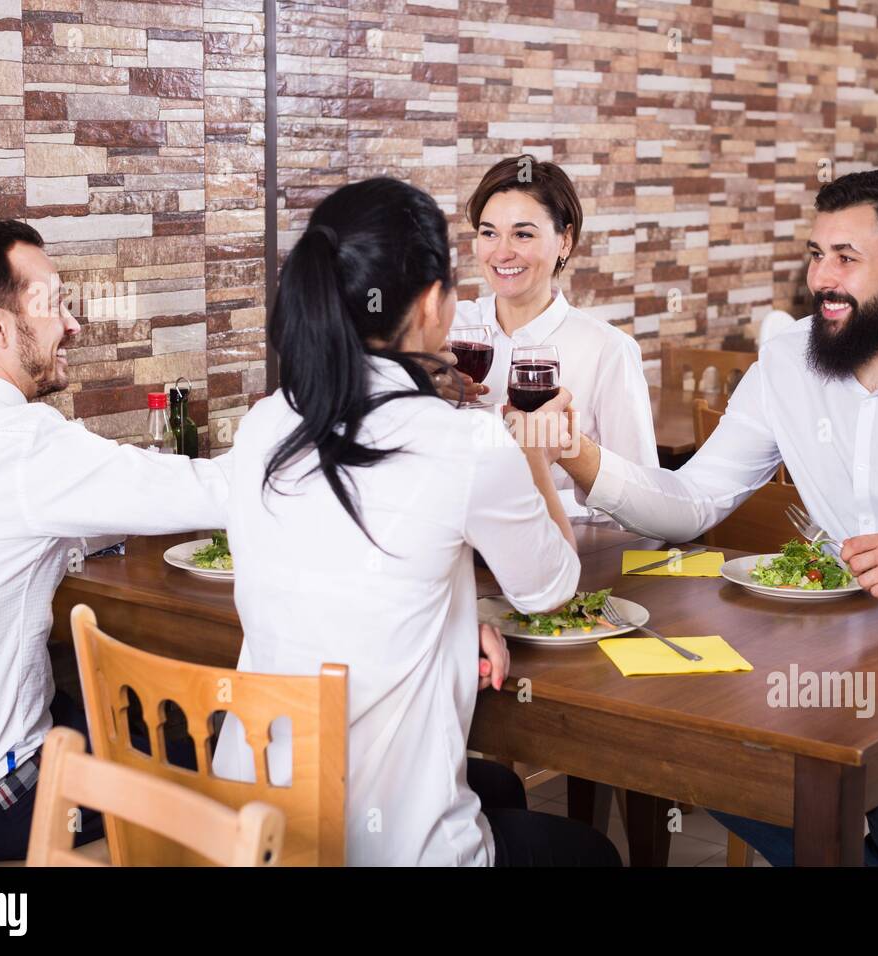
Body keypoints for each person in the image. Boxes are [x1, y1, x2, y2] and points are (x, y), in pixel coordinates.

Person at [514, 168, 878, 866]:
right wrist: (582, 456)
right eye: (814, 254)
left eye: (845, 259)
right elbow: (694, 502)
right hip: (844, 637)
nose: (820, 279)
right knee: (702, 744)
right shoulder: (785, 361)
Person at [209, 177, 620, 867]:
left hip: (255, 828)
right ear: (434, 303)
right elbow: (551, 589)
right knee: (591, 855)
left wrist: (454, 623)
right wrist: (537, 455)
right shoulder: (463, 442)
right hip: (387, 849)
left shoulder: (266, 422)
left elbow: (347, 570)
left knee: (500, 787)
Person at [0, 220, 230, 861]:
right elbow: (218, 491)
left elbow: (13, 528)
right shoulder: (25, 444)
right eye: (54, 303)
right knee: (215, 749)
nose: (71, 325)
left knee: (78, 701)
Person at [454, 154, 657, 519]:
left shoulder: (607, 350)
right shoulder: (452, 328)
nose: (502, 252)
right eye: (489, 233)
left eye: (523, 234)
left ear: (565, 240)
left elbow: (643, 501)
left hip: (571, 552)